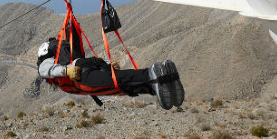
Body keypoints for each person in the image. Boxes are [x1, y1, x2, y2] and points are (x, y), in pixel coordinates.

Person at [36, 38, 185, 110]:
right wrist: (107, 64)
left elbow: (44, 71)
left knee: (118, 82)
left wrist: (65, 71)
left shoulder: (46, 61)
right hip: (88, 63)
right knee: (121, 87)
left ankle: (151, 73)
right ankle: (161, 83)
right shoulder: (62, 56)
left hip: (81, 75)